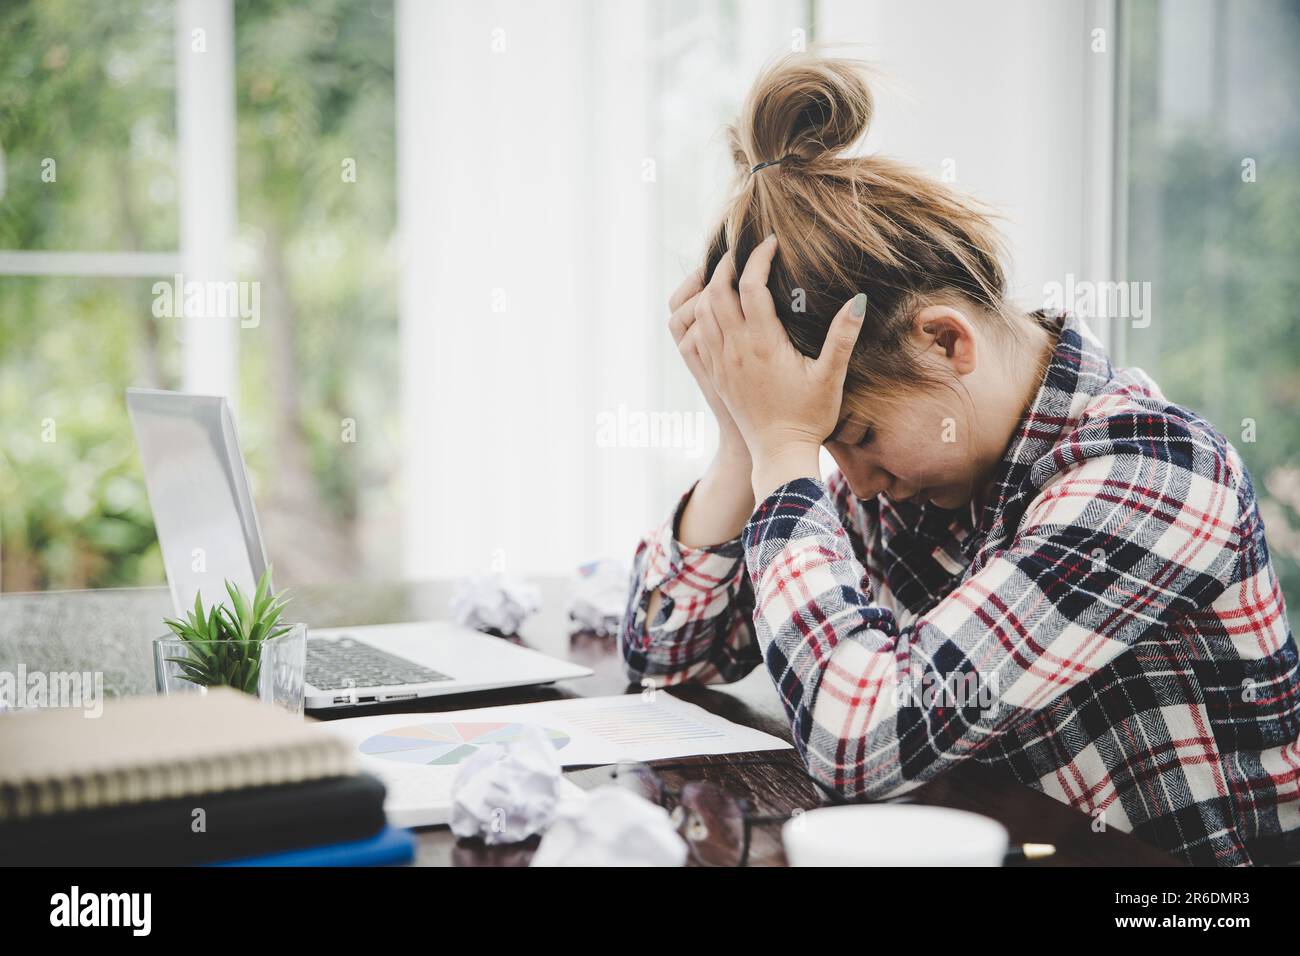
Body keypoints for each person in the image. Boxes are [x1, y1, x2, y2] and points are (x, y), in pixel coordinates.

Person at [619, 54, 1297, 866]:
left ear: (944, 342)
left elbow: (860, 741)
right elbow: (668, 656)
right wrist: (746, 438)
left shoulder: (1155, 477)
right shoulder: (922, 467)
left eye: (858, 437)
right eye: (828, 446)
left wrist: (789, 452)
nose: (854, 482)